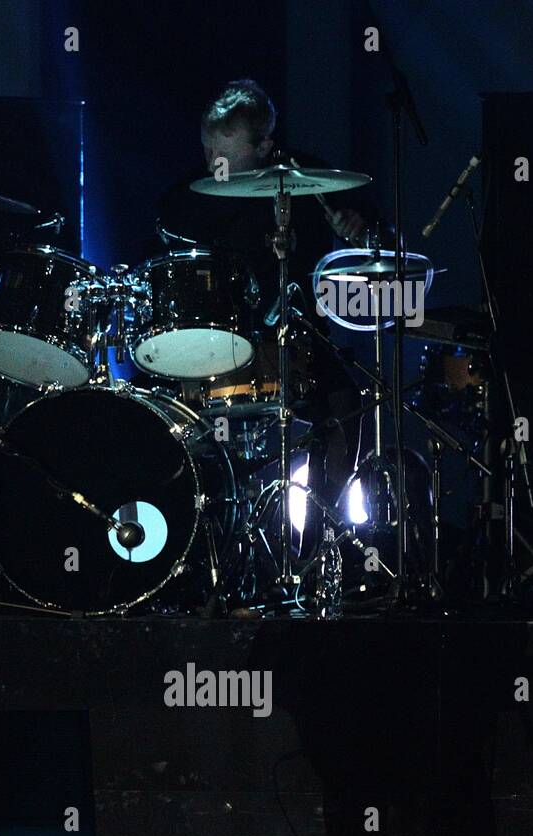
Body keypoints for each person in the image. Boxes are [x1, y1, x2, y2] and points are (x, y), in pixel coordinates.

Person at [155, 78, 374, 519]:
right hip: (214, 340)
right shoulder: (189, 199)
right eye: (207, 150)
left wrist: (358, 225)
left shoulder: (309, 182)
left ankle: (317, 540)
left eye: (223, 153)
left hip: (292, 340)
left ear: (263, 147)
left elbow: (371, 227)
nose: (211, 163)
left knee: (347, 410)